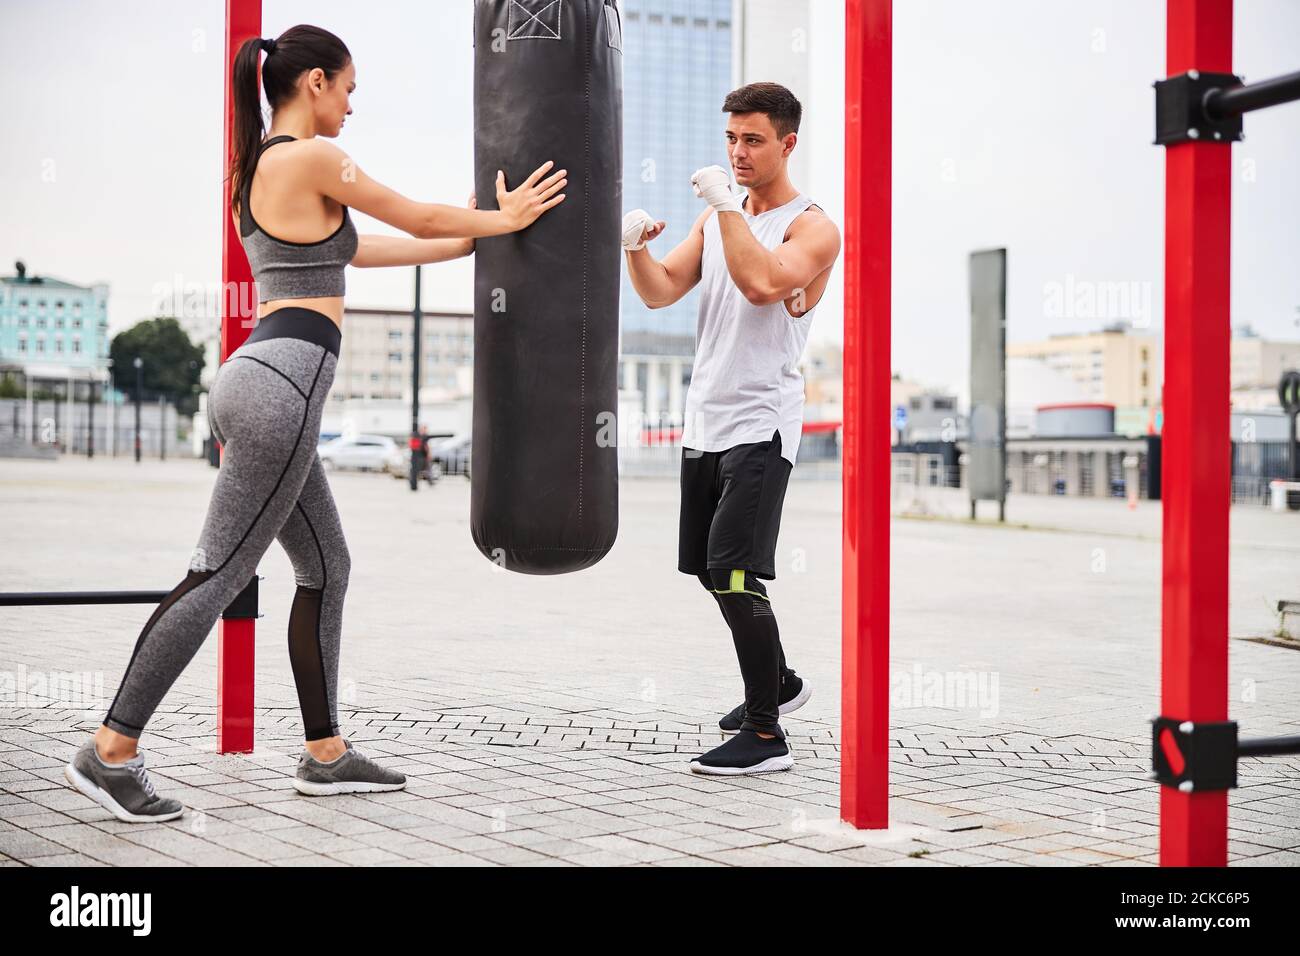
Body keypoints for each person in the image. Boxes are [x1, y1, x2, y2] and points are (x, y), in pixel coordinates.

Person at [65, 23, 567, 822]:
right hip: (284, 390)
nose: (353, 106)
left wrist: (470, 241)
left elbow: (361, 251)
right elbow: (418, 215)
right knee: (219, 574)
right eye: (350, 88)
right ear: (314, 84)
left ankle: (325, 754)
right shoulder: (313, 157)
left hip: (256, 379)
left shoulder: (258, 168)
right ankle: (112, 749)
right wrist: (502, 222)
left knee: (326, 566)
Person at [622, 82, 841, 776]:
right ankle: (778, 680)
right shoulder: (719, 219)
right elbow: (661, 291)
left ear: (787, 143)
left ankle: (767, 732)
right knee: (711, 572)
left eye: (752, 139)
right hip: (705, 419)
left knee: (735, 570)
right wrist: (632, 247)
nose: (738, 152)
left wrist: (722, 207)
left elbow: (763, 285)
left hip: (762, 422)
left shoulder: (814, 227)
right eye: (731, 138)